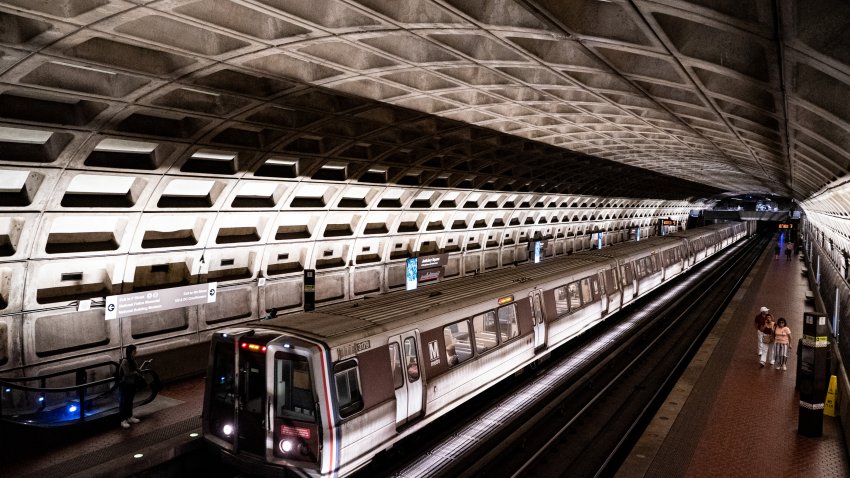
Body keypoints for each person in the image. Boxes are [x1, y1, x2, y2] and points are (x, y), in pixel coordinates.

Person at [118, 344, 142, 429]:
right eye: (134, 351)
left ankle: (129, 416)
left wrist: (138, 370)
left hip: (132, 383)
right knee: (124, 401)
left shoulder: (133, 360)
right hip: (125, 384)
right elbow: (127, 373)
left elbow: (136, 369)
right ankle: (123, 420)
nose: (136, 352)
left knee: (130, 401)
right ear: (130, 352)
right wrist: (135, 372)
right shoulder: (125, 361)